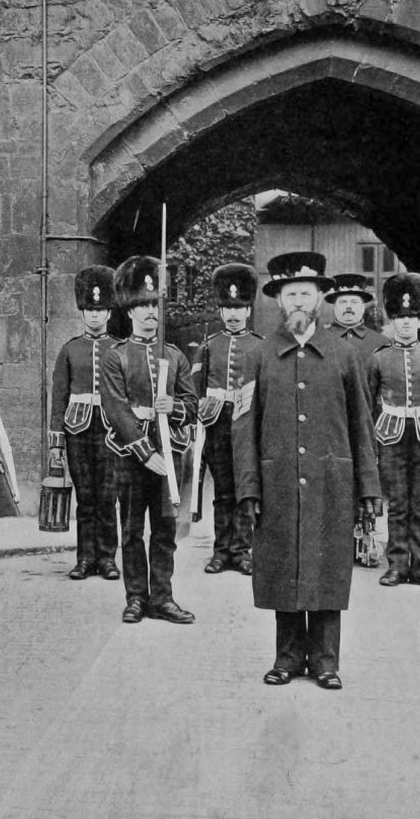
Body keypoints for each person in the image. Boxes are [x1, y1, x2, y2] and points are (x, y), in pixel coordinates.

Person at [232, 252, 380, 690]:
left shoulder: (344, 355)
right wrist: (248, 487)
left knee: (327, 567)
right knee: (283, 566)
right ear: (280, 301)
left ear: (320, 300)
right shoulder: (258, 355)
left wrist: (369, 486)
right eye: (290, 294)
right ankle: (287, 657)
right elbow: (243, 428)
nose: (298, 301)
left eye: (306, 293)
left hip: (332, 481)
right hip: (276, 481)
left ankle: (326, 661)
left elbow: (361, 424)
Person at [100, 256, 198, 625]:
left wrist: (172, 406)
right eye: (142, 305)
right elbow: (116, 409)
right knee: (131, 529)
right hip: (130, 454)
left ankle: (163, 597)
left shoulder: (173, 355)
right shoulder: (116, 357)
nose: (149, 313)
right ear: (129, 311)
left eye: (154, 305)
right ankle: (136, 598)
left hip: (169, 452)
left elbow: (192, 405)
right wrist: (144, 451)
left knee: (165, 529)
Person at [368, 273, 420, 590]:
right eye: (400, 317)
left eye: (412, 317)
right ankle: (397, 565)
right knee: (398, 506)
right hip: (389, 438)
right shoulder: (378, 359)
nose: (406, 323)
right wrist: (372, 444)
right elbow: (367, 402)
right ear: (392, 320)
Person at [48, 265, 120, 581]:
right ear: (82, 311)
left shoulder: (119, 349)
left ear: (109, 311)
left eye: (100, 309)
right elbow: (59, 396)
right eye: (89, 310)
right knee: (85, 498)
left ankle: (107, 559)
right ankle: (85, 559)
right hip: (77, 431)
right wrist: (56, 445)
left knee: (107, 496)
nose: (95, 316)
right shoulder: (69, 349)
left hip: (110, 433)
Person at [195, 263, 263, 577]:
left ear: (249, 309)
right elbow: (195, 391)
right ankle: (221, 551)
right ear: (220, 311)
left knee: (244, 489)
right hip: (217, 426)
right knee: (222, 491)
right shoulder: (209, 347)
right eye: (227, 307)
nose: (233, 314)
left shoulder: (262, 348)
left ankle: (242, 551)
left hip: (248, 428)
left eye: (239, 307)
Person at [326, 272, 389, 567]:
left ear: (364, 307)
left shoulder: (381, 343)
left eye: (354, 301)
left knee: (369, 486)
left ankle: (367, 546)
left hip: (374, 425)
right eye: (343, 301)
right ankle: (335, 545)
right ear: (333, 306)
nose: (349, 307)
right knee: (336, 485)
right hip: (335, 424)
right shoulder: (322, 340)